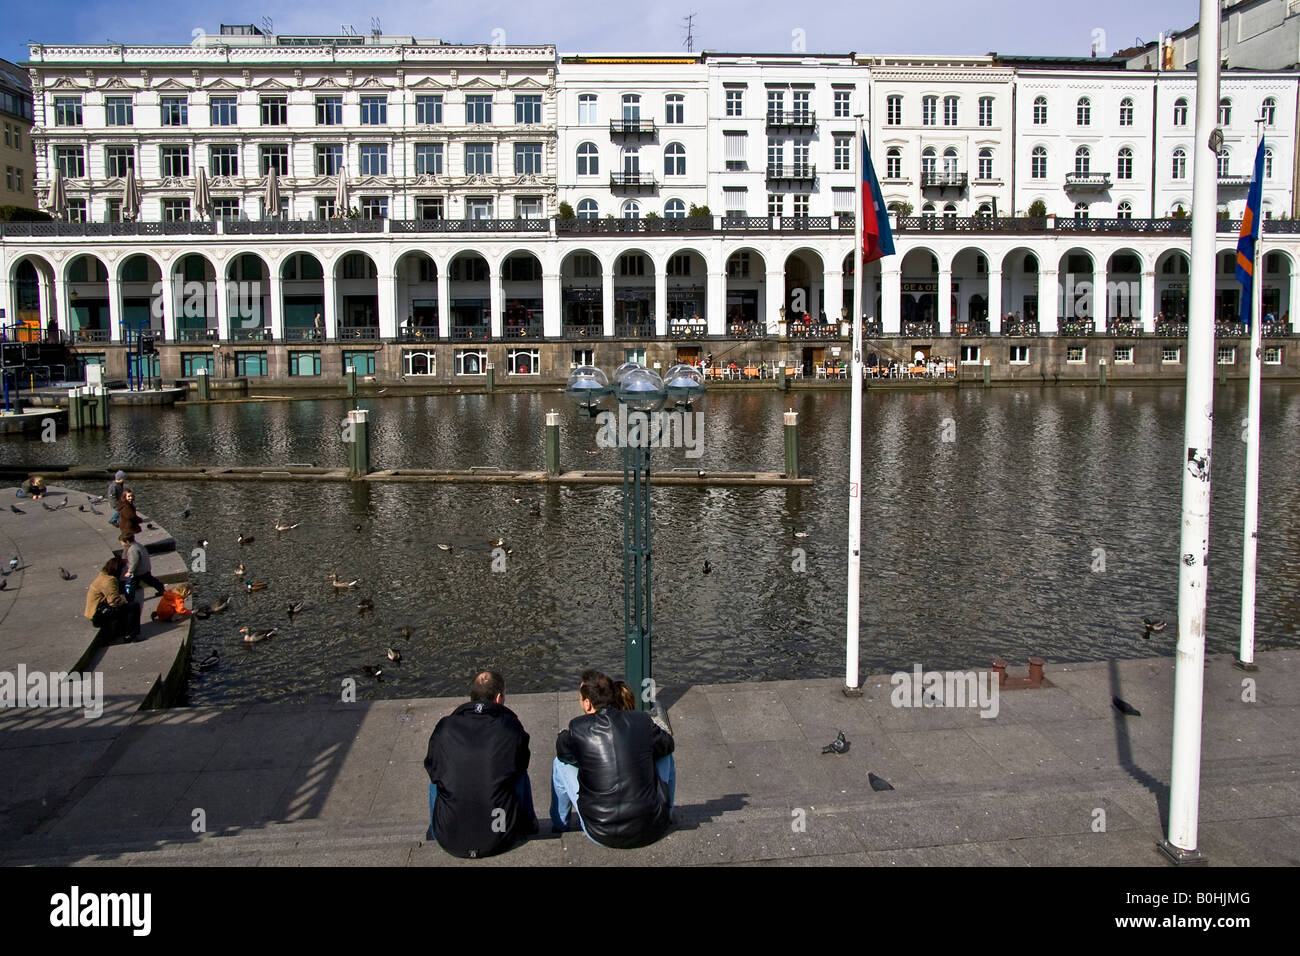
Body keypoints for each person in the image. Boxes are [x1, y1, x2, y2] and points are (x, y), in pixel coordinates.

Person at [550, 669, 675, 849]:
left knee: (559, 764)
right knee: (665, 755)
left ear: (587, 703)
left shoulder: (578, 728)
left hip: (601, 832)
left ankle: (560, 825)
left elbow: (564, 753)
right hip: (652, 827)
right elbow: (667, 743)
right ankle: (667, 815)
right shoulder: (640, 720)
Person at [424, 671, 537, 858]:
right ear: (499, 698)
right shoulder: (510, 727)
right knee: (519, 776)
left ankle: (434, 829)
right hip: (499, 833)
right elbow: (521, 764)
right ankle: (528, 824)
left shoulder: (445, 727)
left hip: (450, 836)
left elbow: (432, 768)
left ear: (472, 696)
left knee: (439, 777)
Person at [84, 556, 141, 644]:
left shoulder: (104, 575)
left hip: (97, 610)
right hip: (97, 615)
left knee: (125, 607)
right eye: (124, 569)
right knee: (133, 607)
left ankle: (122, 631)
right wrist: (125, 602)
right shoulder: (109, 581)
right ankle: (130, 635)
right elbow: (114, 602)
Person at [120, 532, 165, 599]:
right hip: (145, 568)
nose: (121, 544)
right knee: (151, 580)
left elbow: (134, 562)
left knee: (132, 584)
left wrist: (130, 571)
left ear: (127, 541)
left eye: (122, 543)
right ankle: (162, 589)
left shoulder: (132, 550)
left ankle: (130, 598)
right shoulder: (138, 545)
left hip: (138, 571)